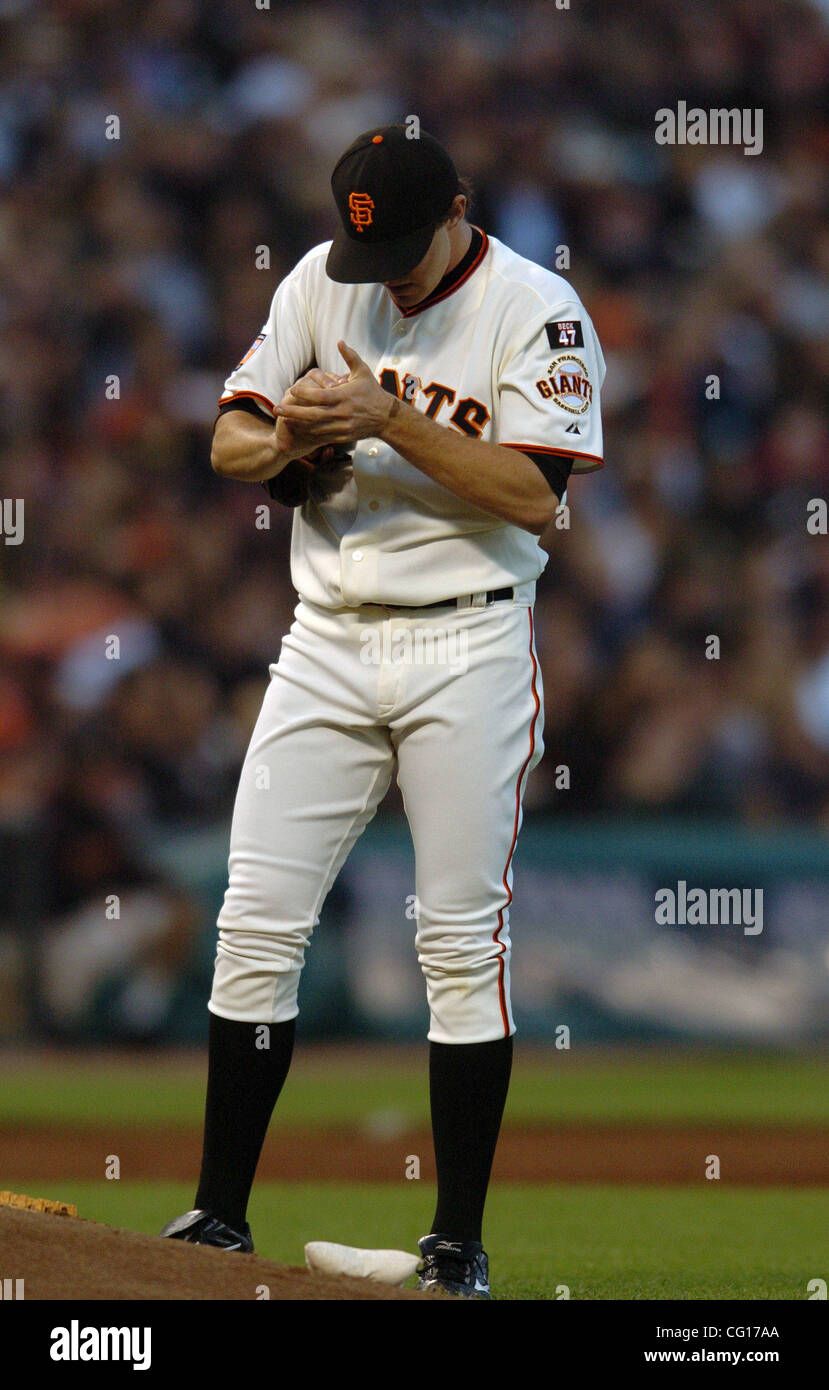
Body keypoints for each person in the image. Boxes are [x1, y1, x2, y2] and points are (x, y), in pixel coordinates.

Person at [161, 125, 605, 1298]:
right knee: (254, 920)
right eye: (373, 251)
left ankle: (455, 1247)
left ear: (458, 207)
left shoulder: (534, 305)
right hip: (326, 635)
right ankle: (216, 1218)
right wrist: (288, 443)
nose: (388, 273)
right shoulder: (321, 276)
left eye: (407, 248)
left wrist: (385, 419)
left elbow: (534, 492)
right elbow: (226, 436)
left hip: (467, 636)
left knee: (458, 941)